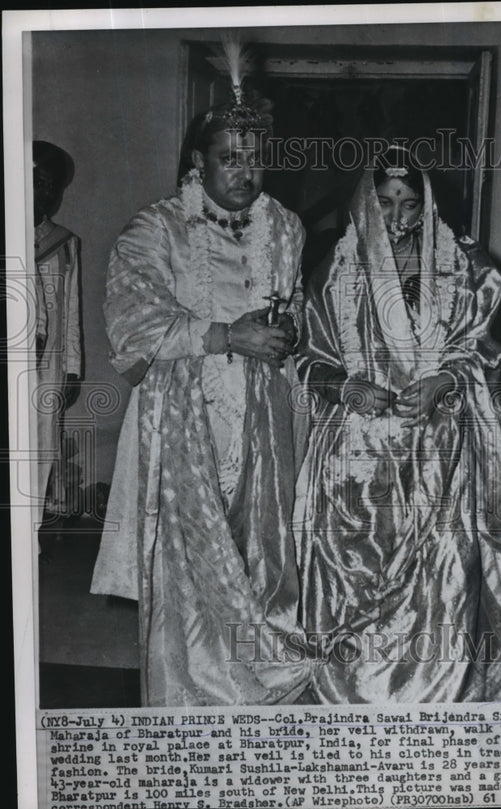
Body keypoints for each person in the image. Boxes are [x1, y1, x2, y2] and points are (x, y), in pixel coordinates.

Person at [293, 145, 501, 703]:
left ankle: (437, 690)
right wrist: (348, 387)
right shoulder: (335, 268)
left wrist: (443, 381)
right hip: (357, 450)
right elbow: (311, 360)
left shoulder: (466, 267)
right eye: (384, 203)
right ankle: (357, 690)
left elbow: (483, 352)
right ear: (365, 202)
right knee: (355, 571)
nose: (397, 218)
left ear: (428, 203)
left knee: (447, 569)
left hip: (440, 447)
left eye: (410, 204)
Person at [90, 87, 312, 706]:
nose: (245, 172)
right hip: (183, 409)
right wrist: (223, 334)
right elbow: (133, 318)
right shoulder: (157, 227)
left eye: (255, 159)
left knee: (261, 549)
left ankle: (255, 681)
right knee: (183, 563)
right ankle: (187, 697)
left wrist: (287, 331)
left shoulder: (285, 226)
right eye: (228, 159)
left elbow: (294, 308)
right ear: (198, 162)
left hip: (265, 408)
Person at [33, 140, 82, 532]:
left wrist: (72, 369)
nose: (47, 194)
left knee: (40, 447)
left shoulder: (65, 242)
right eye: (40, 182)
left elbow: (71, 311)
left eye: (54, 187)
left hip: (48, 363)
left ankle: (30, 535)